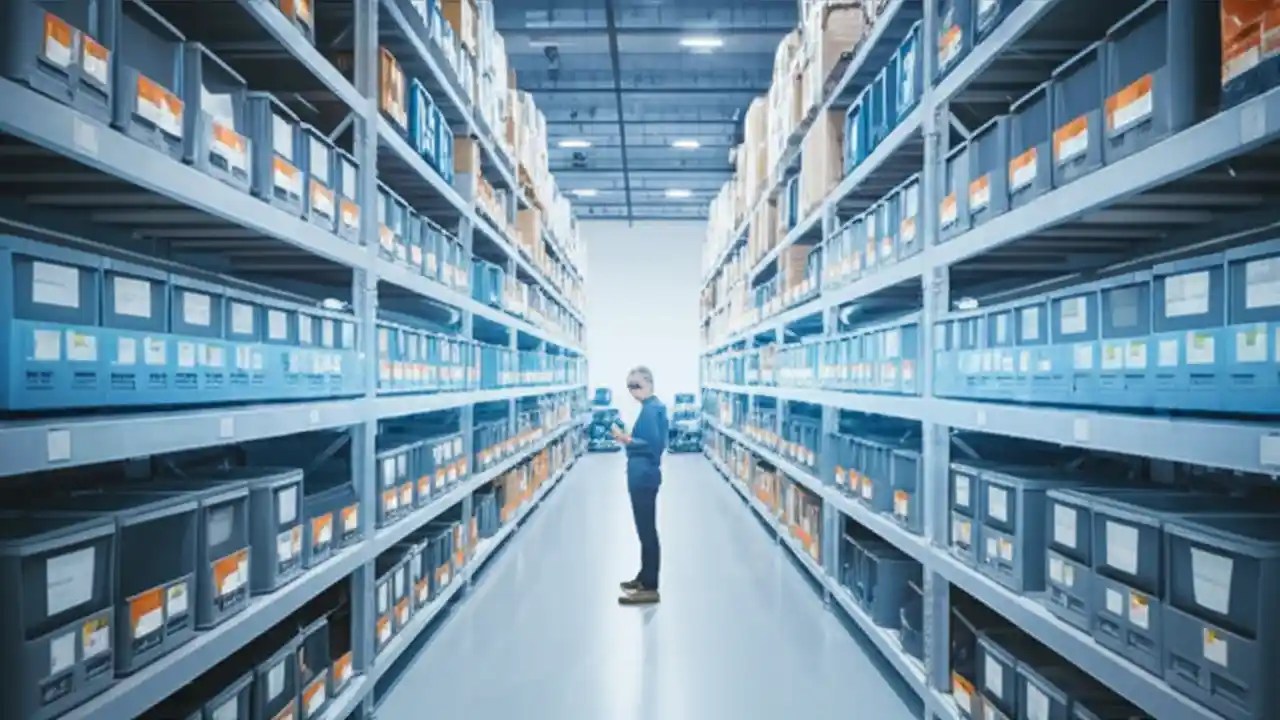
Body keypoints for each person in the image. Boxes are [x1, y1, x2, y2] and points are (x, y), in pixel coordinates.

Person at [611, 366, 668, 605]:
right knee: (643, 531)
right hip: (641, 475)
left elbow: (653, 445)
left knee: (647, 532)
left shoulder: (653, 409)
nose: (633, 391)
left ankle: (650, 587)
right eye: (629, 387)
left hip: (644, 476)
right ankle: (643, 577)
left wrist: (626, 440)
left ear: (649, 383)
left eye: (637, 385)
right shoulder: (649, 408)